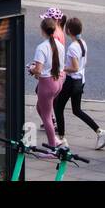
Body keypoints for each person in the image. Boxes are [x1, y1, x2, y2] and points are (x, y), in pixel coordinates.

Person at [53, 16, 105, 150]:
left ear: (68, 30)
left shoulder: (72, 47)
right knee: (77, 110)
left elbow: (74, 67)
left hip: (71, 81)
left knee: (58, 107)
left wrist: (61, 68)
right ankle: (100, 132)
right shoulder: (82, 43)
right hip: (80, 81)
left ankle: (62, 139)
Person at [28, 17, 65, 150]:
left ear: (42, 30)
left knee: (46, 115)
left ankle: (52, 147)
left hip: (47, 83)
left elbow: (38, 70)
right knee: (40, 108)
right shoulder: (59, 45)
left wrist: (31, 69)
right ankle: (54, 139)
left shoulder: (41, 47)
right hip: (59, 80)